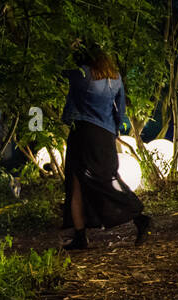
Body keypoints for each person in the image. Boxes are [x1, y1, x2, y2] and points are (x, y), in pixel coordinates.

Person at [61, 43, 153, 249]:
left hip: (84, 133)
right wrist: (113, 129)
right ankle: (82, 236)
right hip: (106, 134)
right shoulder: (115, 77)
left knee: (78, 183)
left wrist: (66, 118)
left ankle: (137, 217)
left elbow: (63, 82)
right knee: (107, 179)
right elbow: (120, 110)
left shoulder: (81, 74)